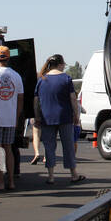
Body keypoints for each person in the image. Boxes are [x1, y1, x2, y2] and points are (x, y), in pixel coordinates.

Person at [35, 54, 83, 186]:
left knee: (49, 147)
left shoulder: (41, 79)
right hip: (64, 116)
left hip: (46, 117)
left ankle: (51, 176)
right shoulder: (66, 78)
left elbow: (36, 100)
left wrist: (37, 116)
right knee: (68, 146)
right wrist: (76, 115)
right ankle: (73, 174)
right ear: (60, 64)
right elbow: (73, 98)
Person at [0, 45, 23, 190]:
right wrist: (16, 117)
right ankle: (11, 181)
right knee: (8, 149)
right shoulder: (16, 76)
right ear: (8, 58)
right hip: (10, 117)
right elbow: (20, 99)